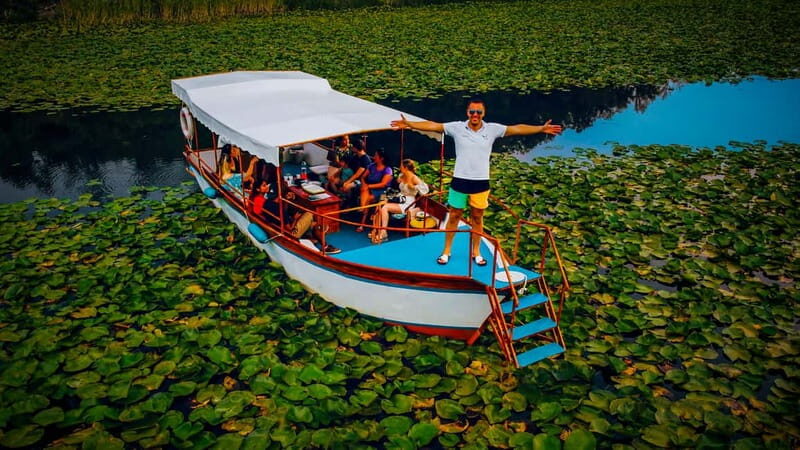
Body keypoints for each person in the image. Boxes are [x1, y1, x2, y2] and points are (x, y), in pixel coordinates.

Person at [391, 98, 562, 265]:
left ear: (483, 113)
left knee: (477, 218)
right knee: (454, 216)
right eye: (472, 111)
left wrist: (540, 129)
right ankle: (446, 251)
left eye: (478, 112)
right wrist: (410, 124)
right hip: (460, 181)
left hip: (480, 182)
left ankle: (476, 252)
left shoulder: (493, 129)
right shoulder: (457, 127)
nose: (475, 114)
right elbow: (433, 125)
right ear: (467, 112)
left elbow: (517, 129)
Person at [251, 164, 341, 254]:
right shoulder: (271, 206)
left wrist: (286, 199)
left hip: (277, 225)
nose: (267, 186)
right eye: (264, 186)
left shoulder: (260, 201)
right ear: (258, 189)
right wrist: (295, 219)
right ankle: (323, 245)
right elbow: (289, 229)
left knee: (313, 223)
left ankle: (318, 238)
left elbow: (277, 205)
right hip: (290, 233)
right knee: (310, 214)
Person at [370, 159, 429, 244]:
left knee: (385, 207)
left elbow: (425, 189)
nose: (400, 168)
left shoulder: (414, 178)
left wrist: (414, 187)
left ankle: (384, 233)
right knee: (380, 203)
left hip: (407, 202)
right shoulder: (402, 175)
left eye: (401, 166)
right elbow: (396, 183)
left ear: (405, 167)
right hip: (399, 198)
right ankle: (375, 229)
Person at [356, 148, 393, 233]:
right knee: (364, 192)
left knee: (368, 198)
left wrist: (368, 186)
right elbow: (362, 177)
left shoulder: (387, 169)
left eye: (376, 155)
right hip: (371, 188)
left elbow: (383, 184)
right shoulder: (371, 166)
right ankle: (363, 211)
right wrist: (364, 184)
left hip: (384, 191)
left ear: (381, 158)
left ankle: (362, 221)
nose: (374, 157)